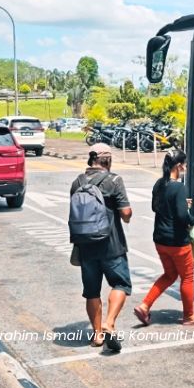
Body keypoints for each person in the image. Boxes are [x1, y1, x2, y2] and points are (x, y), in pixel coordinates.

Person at [133, 150, 194, 326]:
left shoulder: (159, 184)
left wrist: (182, 204)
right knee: (188, 277)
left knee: (169, 275)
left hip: (160, 240)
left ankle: (144, 306)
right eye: (184, 164)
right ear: (178, 166)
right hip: (177, 242)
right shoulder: (178, 187)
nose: (185, 168)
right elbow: (183, 217)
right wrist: (192, 220)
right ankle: (189, 316)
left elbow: (155, 207)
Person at [71, 142, 132, 351]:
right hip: (111, 245)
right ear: (108, 160)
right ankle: (110, 323)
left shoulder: (77, 182)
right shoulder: (114, 181)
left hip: (85, 246)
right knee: (121, 284)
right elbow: (126, 214)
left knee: (91, 291)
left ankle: (97, 335)